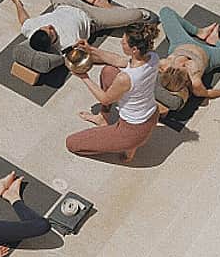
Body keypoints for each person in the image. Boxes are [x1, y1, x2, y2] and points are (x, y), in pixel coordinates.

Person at [65, 22, 162, 162]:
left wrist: (83, 76)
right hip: (152, 114)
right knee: (108, 71)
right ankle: (103, 118)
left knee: (72, 143)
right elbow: (118, 60)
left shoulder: (125, 78)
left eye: (124, 41)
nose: (121, 42)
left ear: (134, 49)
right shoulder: (152, 57)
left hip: (132, 131)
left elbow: (105, 99)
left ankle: (131, 146)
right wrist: (91, 49)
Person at [9, 0, 150, 55]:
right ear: (52, 44)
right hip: (93, 19)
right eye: (52, 32)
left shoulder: (30, 30)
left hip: (64, 3)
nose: (50, 26)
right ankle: (101, 5)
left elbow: (23, 20)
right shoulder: (66, 45)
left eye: (46, 27)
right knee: (140, 15)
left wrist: (17, 3)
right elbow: (83, 56)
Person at [155, 6, 220, 112]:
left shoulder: (164, 64)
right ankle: (215, 41)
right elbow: (208, 93)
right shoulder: (195, 81)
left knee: (165, 11)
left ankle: (199, 32)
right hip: (209, 55)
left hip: (180, 42)